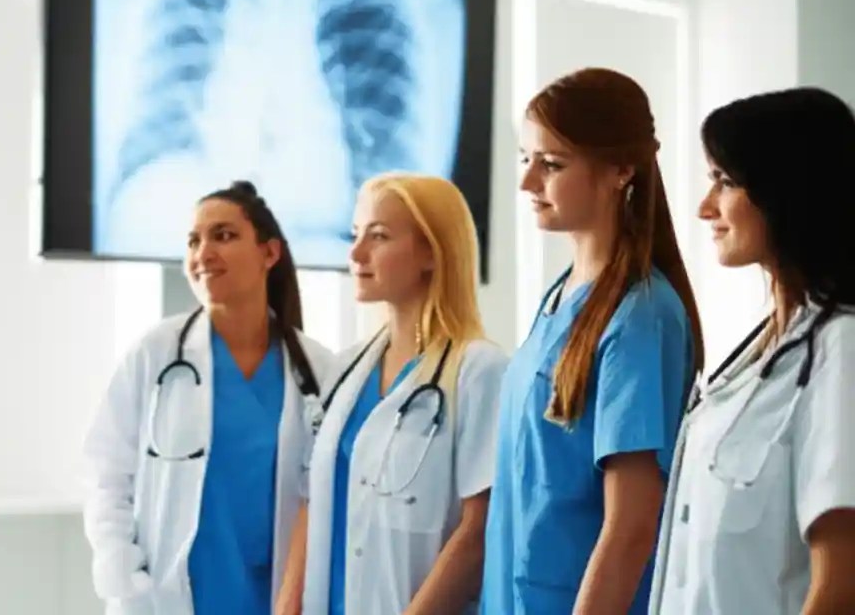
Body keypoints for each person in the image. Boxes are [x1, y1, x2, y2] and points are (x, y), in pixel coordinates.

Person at [480, 67, 704, 615]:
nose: (528, 182)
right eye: (526, 159)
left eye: (552, 165)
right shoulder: (560, 297)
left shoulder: (640, 316)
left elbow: (631, 528)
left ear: (621, 170)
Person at [82, 180, 336, 615]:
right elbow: (107, 469)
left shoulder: (318, 371)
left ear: (269, 253)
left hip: (273, 599)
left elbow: (322, 499)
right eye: (194, 241)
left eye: (224, 235)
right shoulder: (156, 354)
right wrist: (123, 573)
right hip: (168, 597)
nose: (203, 253)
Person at [649, 87, 855, 614]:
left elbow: (841, 580)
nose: (704, 207)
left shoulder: (841, 348)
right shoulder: (761, 352)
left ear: (787, 190)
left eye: (725, 181)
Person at [276, 173, 508, 615]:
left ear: (431, 253)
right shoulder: (344, 372)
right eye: (355, 235)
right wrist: (288, 606)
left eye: (378, 236)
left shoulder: (479, 371)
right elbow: (313, 498)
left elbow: (477, 532)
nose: (357, 252)